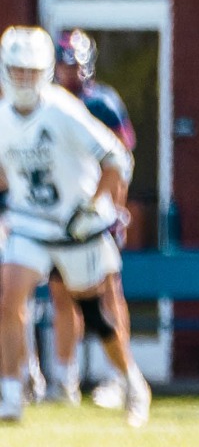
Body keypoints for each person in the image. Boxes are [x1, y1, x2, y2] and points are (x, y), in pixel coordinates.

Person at [0, 27, 147, 426]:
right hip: (30, 223)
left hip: (75, 225)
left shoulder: (62, 109)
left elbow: (117, 159)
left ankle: (131, 380)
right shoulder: (3, 116)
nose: (24, 80)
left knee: (95, 315)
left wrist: (96, 204)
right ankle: (11, 394)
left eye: (32, 71)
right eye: (17, 70)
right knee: (9, 297)